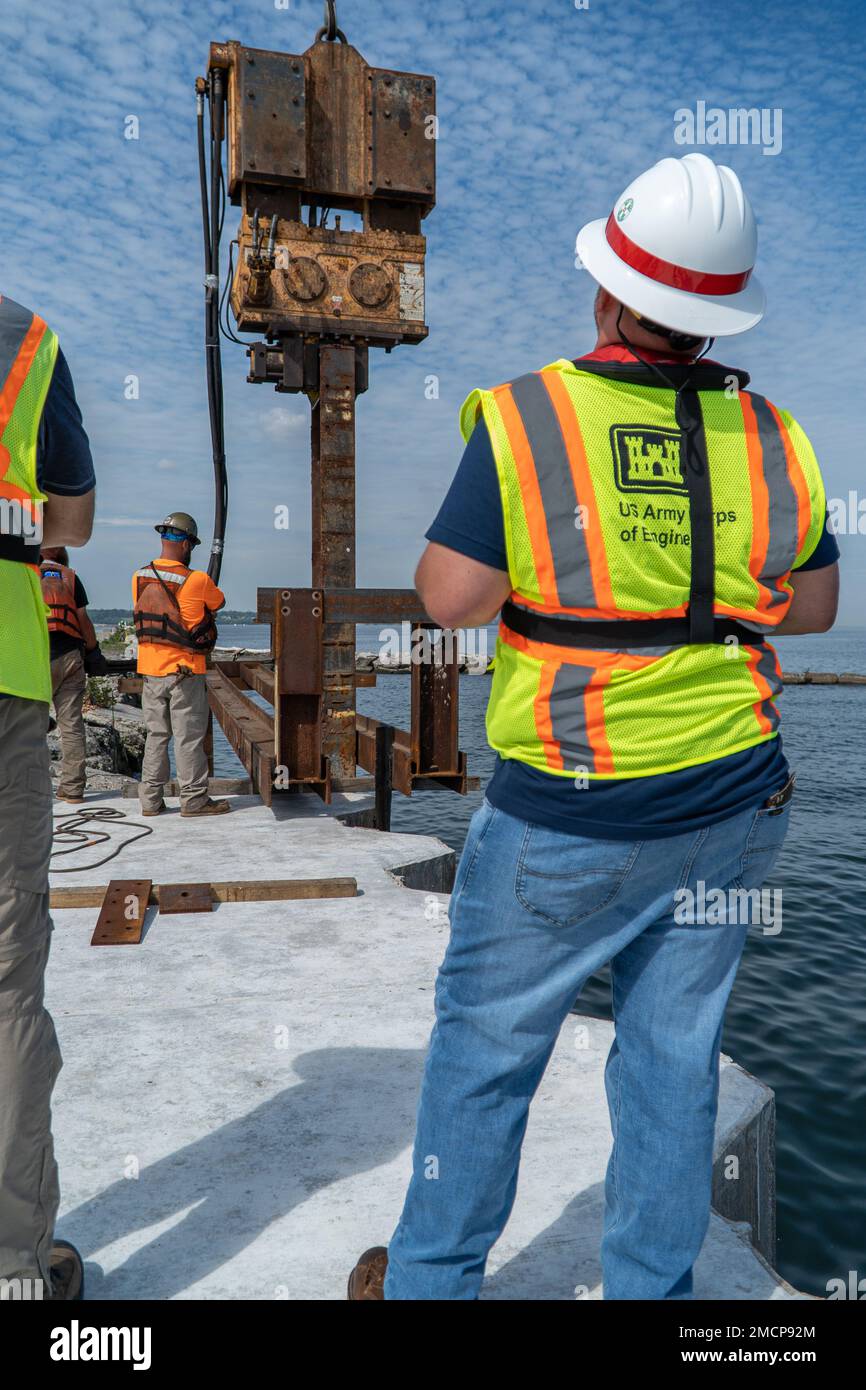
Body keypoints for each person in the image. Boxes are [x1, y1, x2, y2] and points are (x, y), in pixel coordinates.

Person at [348, 154, 840, 1301]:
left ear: (609, 293)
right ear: (716, 316)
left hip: (567, 807)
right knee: (672, 1066)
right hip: (732, 799)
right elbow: (810, 609)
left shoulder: (529, 416)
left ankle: (427, 1284)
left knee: (482, 1060)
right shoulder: (776, 436)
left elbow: (448, 599)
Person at [0, 294, 95, 1300]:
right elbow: (66, 521)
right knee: (5, 984)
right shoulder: (23, 343)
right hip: (7, 671)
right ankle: (9, 1270)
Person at [132, 511, 229, 817]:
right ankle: (194, 800)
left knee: (156, 735)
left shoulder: (140, 576)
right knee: (188, 738)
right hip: (185, 672)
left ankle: (149, 801)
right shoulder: (197, 580)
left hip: (150, 672)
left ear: (163, 538)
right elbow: (219, 602)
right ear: (187, 545)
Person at [40, 546, 107, 804]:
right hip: (70, 658)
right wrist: (94, 652)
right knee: (71, 726)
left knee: (26, 726)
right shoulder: (70, 577)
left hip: (36, 660)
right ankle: (73, 788)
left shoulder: (26, 574)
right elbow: (83, 619)